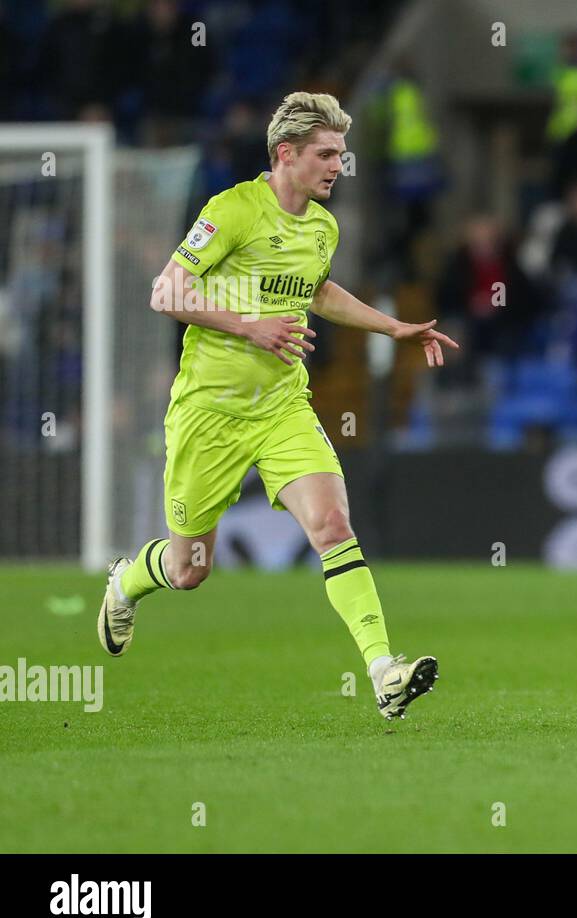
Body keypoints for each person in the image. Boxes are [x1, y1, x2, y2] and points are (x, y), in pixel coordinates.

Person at [98, 92, 459, 721]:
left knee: (332, 527)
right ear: (285, 155)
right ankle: (126, 582)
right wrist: (248, 326)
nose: (336, 166)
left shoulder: (323, 227)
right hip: (209, 412)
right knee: (189, 570)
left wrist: (393, 328)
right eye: (325, 154)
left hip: (283, 406)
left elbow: (319, 293)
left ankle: (383, 671)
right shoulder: (232, 210)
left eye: (341, 155)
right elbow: (166, 292)